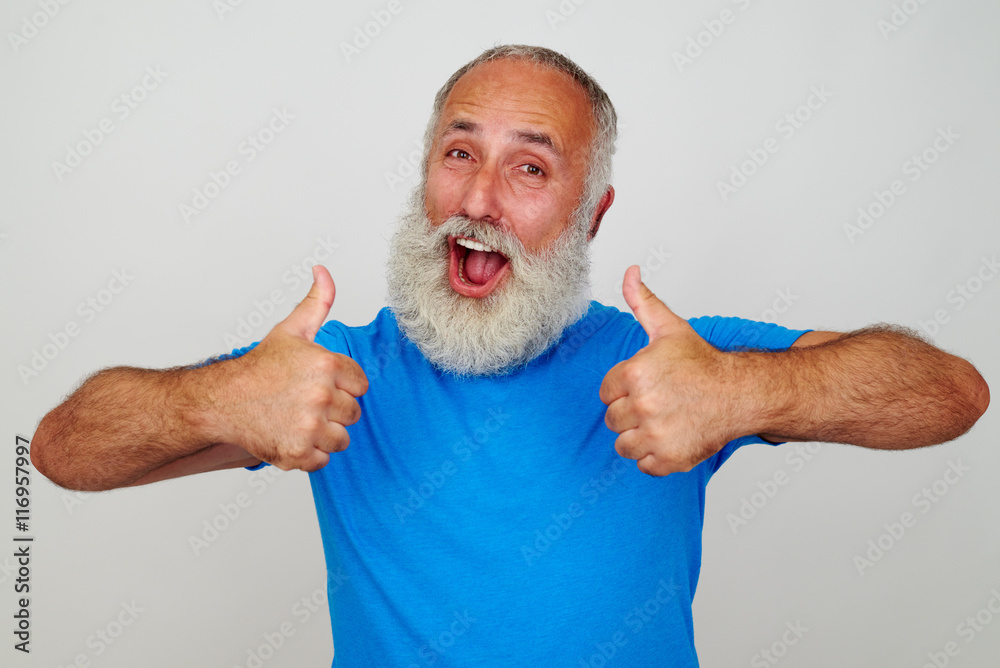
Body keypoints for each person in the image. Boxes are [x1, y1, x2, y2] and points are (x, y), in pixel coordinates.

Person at [32, 45, 989, 667]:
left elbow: (949, 394)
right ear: (424, 176)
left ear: (590, 215)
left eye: (530, 167)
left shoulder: (676, 363)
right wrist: (216, 400)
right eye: (459, 154)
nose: (480, 200)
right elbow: (63, 454)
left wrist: (748, 390)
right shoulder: (326, 372)